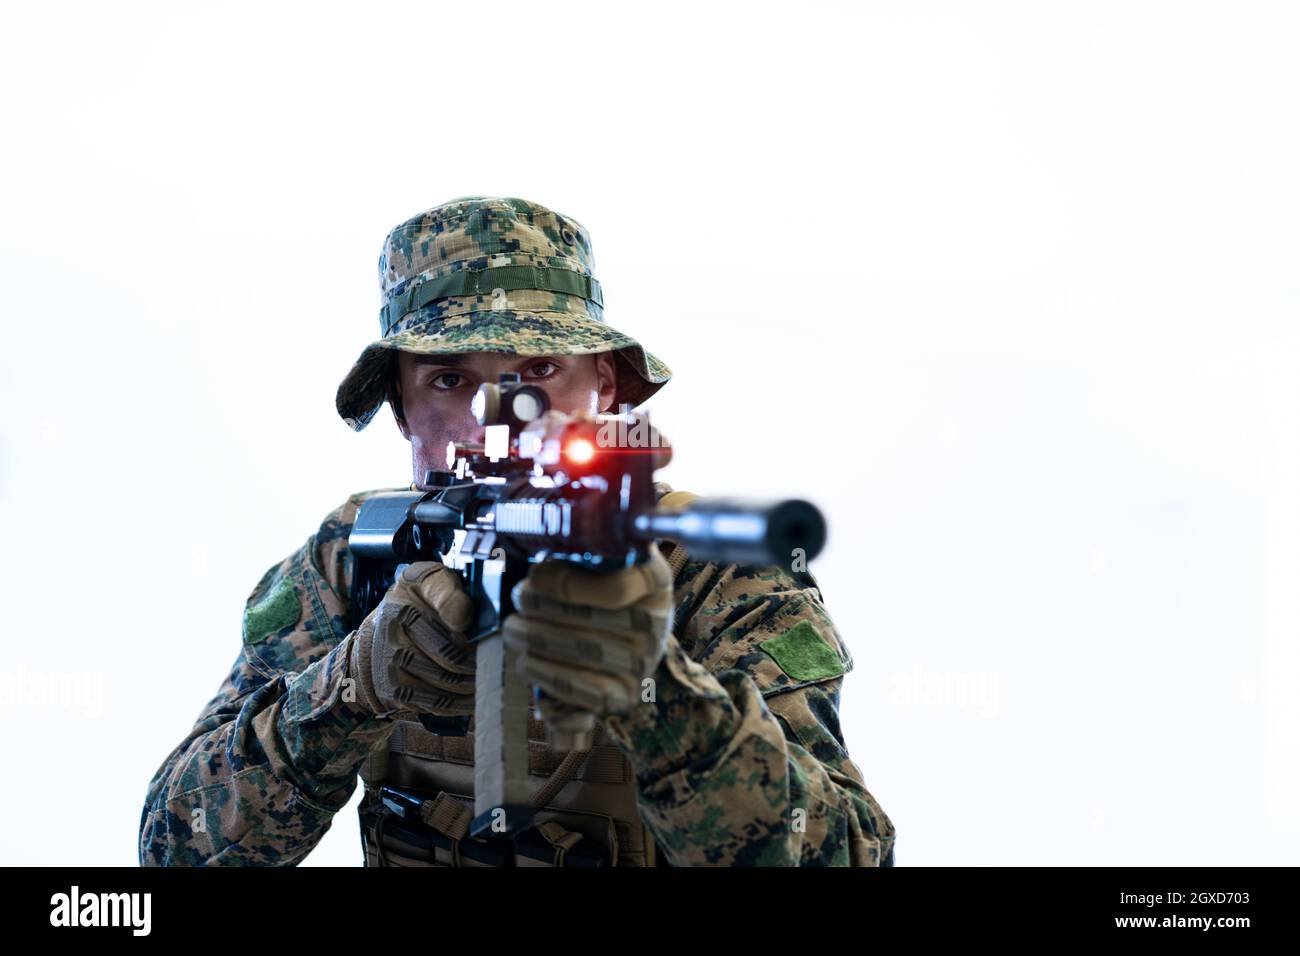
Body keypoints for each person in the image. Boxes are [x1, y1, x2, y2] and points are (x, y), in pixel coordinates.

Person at [138, 196, 896, 866]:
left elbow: (848, 852)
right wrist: (346, 692)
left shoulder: (712, 570)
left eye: (537, 371)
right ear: (399, 406)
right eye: (448, 378)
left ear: (603, 383)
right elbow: (174, 845)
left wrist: (657, 695)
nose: (490, 416)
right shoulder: (356, 554)